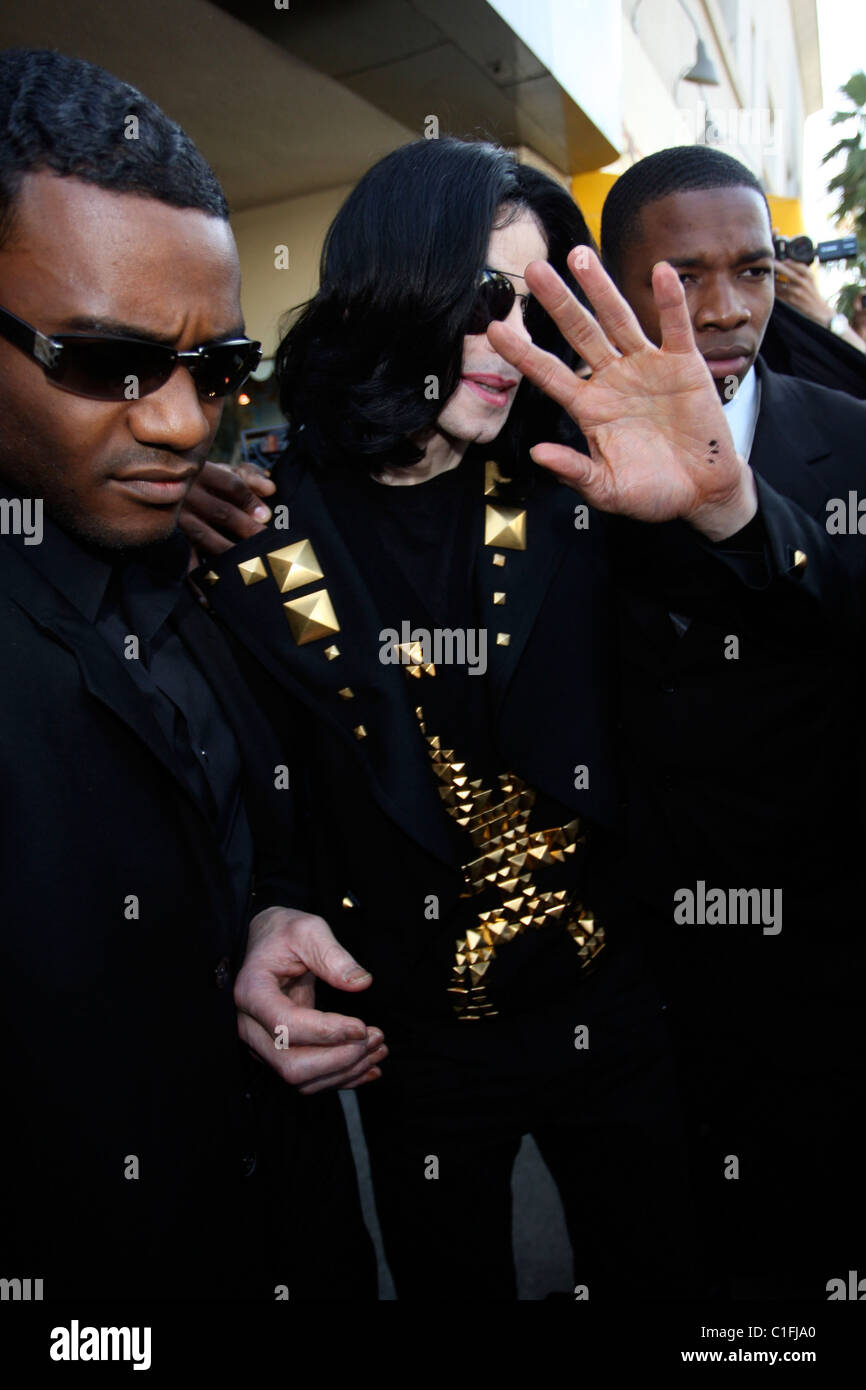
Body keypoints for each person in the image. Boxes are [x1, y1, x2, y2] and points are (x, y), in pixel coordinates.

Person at [184, 137, 838, 1300]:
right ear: (395, 284)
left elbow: (789, 648)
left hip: (617, 1009)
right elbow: (250, 794)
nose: (516, 341)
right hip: (412, 1048)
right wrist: (263, 914)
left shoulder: (579, 481)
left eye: (535, 307)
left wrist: (728, 509)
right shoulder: (246, 536)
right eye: (490, 299)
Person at [0, 47, 379, 1302]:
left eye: (214, 369)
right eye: (104, 363)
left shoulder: (201, 559)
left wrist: (265, 916)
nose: (179, 422)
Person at [498, 142, 866, 1298]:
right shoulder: (535, 463)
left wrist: (743, 519)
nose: (723, 309)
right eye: (682, 276)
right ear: (611, 282)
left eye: (751, 271)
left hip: (823, 959)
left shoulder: (850, 436)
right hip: (632, 973)